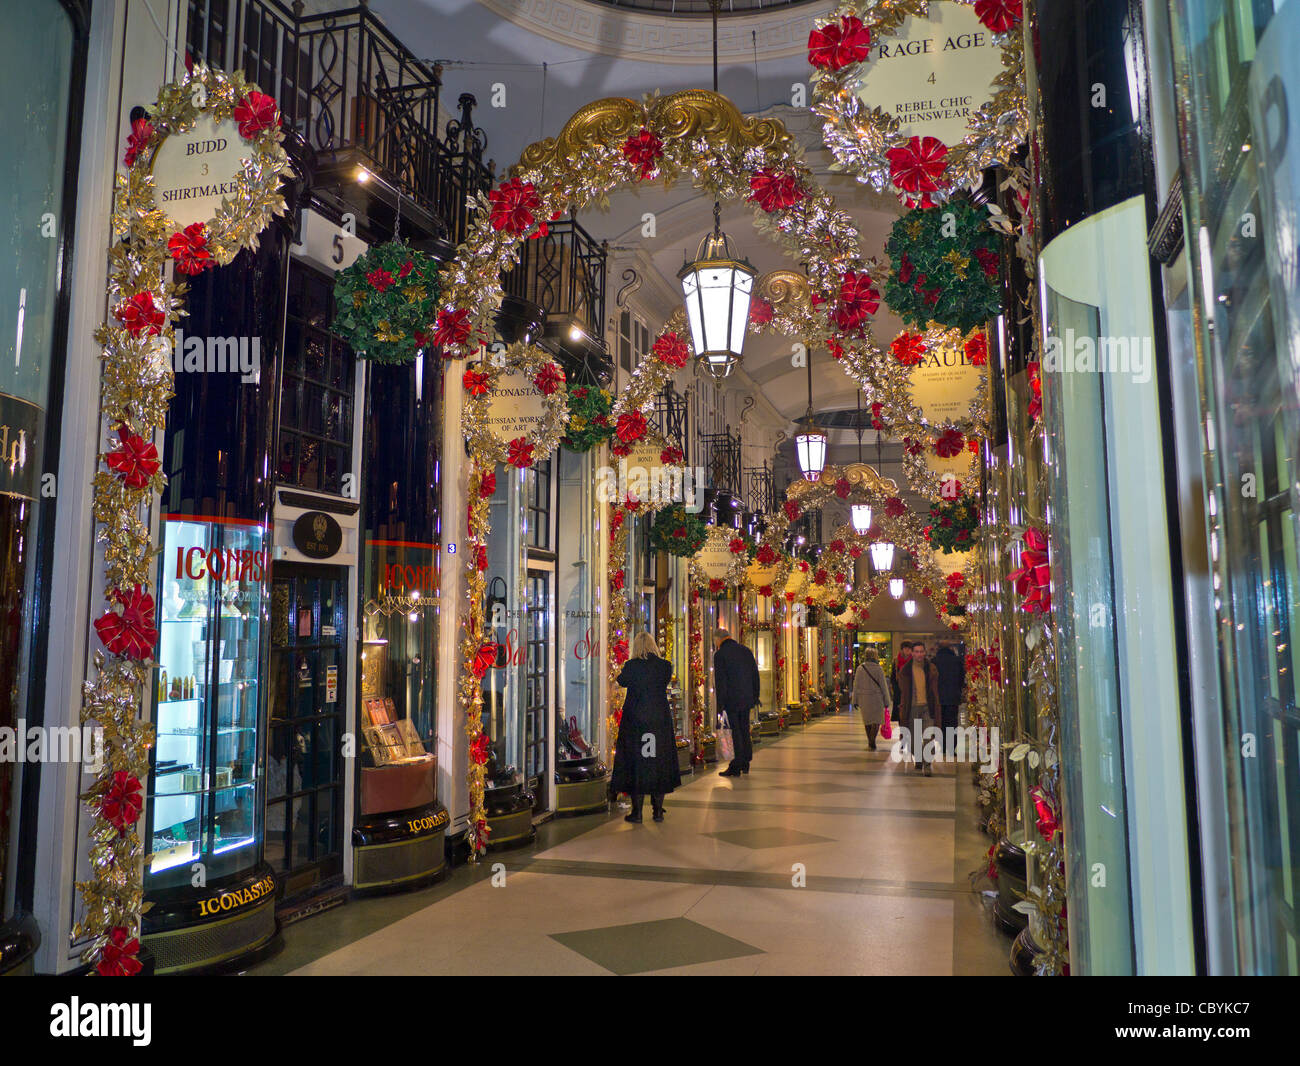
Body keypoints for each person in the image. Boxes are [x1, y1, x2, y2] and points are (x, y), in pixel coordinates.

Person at [613, 631, 681, 823]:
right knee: (659, 763)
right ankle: (658, 811)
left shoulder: (631, 666)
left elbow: (621, 681)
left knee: (636, 763)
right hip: (659, 720)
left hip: (635, 720)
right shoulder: (664, 666)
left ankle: (637, 812)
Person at [713, 626, 759, 777]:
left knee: (734, 731)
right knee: (744, 729)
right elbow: (754, 675)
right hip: (746, 698)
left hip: (731, 699)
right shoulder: (746, 651)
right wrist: (755, 696)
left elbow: (721, 682)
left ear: (718, 640)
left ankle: (736, 764)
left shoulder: (720, 655)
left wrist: (720, 706)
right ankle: (745, 761)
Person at [897, 640, 942, 775]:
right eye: (916, 652)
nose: (919, 654)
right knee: (913, 740)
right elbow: (902, 690)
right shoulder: (905, 671)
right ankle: (919, 758)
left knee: (928, 737)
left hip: (928, 708)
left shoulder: (931, 669)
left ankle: (927, 765)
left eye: (921, 651)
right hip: (912, 709)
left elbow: (935, 689)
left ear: (925, 652)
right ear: (912, 653)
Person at [851, 648, 891, 750]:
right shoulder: (879, 669)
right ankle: (872, 740)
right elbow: (883, 686)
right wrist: (887, 700)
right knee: (876, 721)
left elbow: (856, 685)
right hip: (877, 698)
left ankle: (870, 741)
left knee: (867, 720)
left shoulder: (860, 668)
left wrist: (854, 700)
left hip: (864, 699)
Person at [933, 640, 965, 757]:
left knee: (941, 722)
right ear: (951, 648)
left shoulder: (934, 661)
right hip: (953, 697)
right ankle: (952, 747)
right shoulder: (957, 661)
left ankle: (942, 746)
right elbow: (961, 679)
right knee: (952, 722)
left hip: (938, 698)